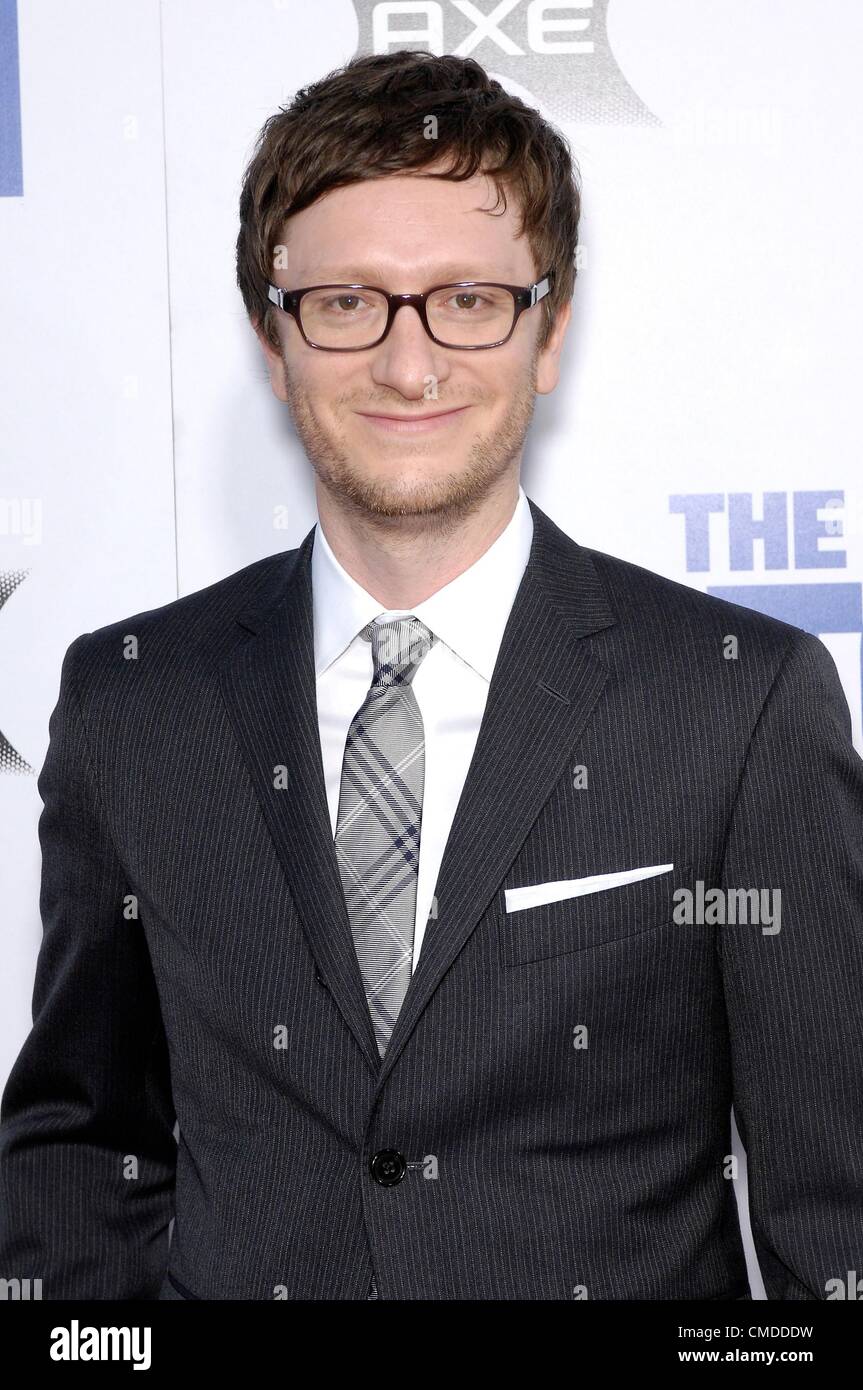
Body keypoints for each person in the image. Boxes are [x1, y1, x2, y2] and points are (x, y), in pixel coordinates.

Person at [1, 50, 861, 1302]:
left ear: (547, 330)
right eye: (348, 302)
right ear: (272, 333)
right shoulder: (136, 703)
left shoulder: (737, 701)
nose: (410, 366)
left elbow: (831, 1211)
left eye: (466, 299)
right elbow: (82, 1146)